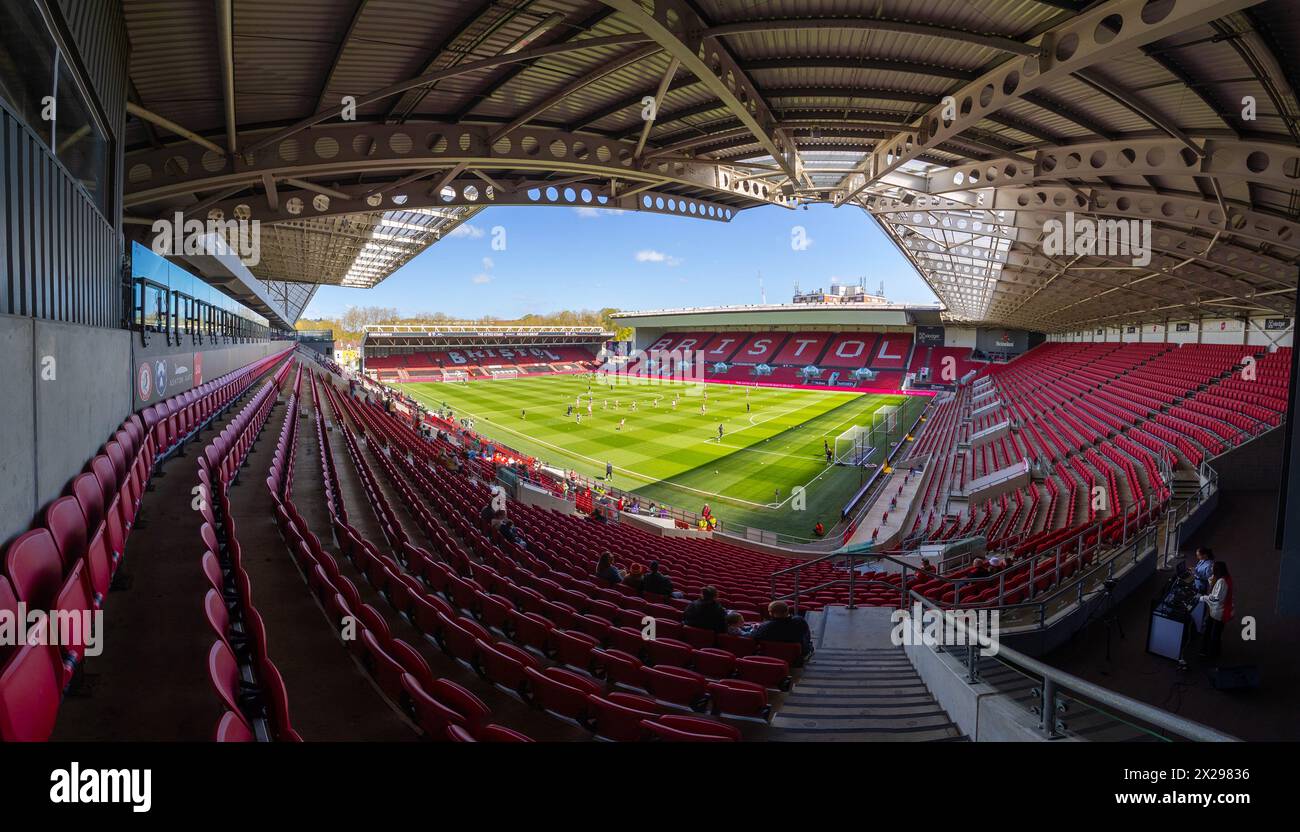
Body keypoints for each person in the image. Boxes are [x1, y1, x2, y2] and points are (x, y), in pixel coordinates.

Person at [1198, 561, 1233, 659]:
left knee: (1214, 634)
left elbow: (1216, 598)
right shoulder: (1225, 578)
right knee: (1212, 631)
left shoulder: (1222, 582)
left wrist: (1203, 598)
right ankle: (1210, 652)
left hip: (1218, 612)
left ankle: (1211, 655)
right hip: (1218, 611)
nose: (1211, 568)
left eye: (1212, 567)